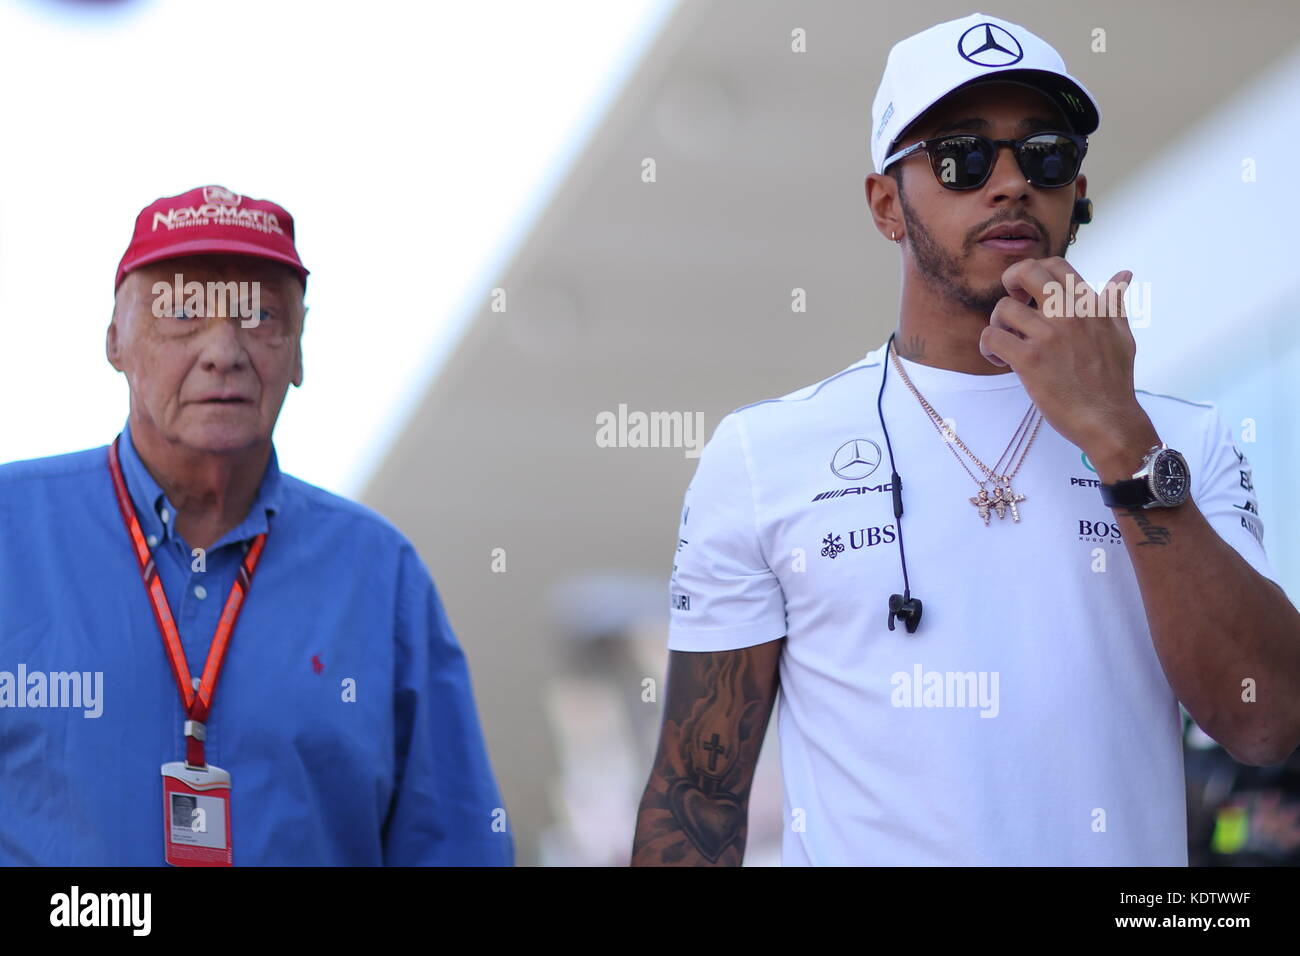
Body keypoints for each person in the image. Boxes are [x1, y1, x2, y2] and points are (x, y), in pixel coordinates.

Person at [632, 12, 1300, 866]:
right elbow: (697, 799)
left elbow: (1266, 721)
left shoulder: (1182, 442)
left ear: (1079, 193)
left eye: (1045, 155)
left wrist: (1120, 438)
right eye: (962, 157)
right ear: (886, 204)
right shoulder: (765, 456)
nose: (1011, 182)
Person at [0, 185, 513, 866]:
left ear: (298, 352)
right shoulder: (12, 533)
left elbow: (456, 844)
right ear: (114, 339)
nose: (223, 350)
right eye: (182, 311)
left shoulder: (378, 574)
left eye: (260, 314)